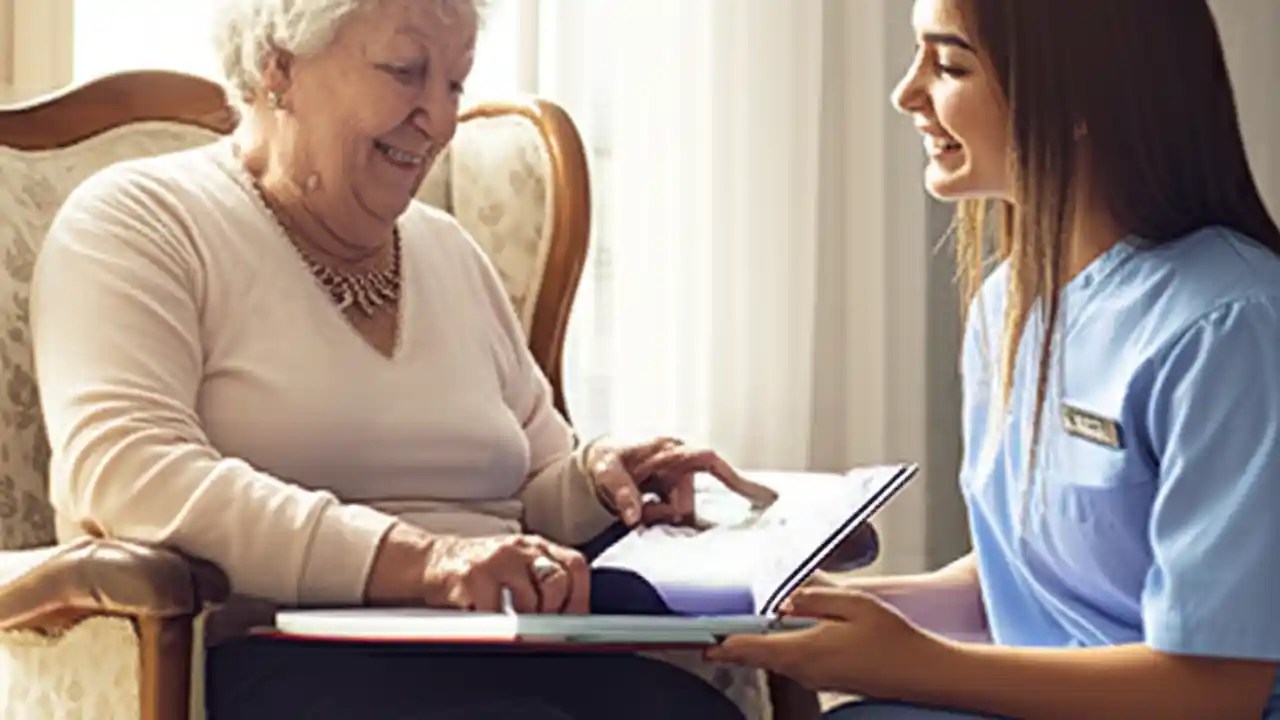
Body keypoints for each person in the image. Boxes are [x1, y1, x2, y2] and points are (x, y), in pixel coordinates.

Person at [29, 0, 786, 717]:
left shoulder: (448, 251)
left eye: (455, 81)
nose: (443, 118)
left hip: (500, 643)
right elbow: (127, 472)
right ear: (277, 66)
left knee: (686, 713)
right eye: (404, 70)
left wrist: (601, 480)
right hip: (276, 657)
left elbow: (531, 494)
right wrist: (424, 561)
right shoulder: (141, 222)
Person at [708, 0, 1280, 718]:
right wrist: (807, 609)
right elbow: (1036, 582)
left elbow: (1215, 690)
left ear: (1077, 95)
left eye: (948, 65)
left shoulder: (1232, 326)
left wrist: (916, 667)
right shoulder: (1008, 303)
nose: (906, 93)